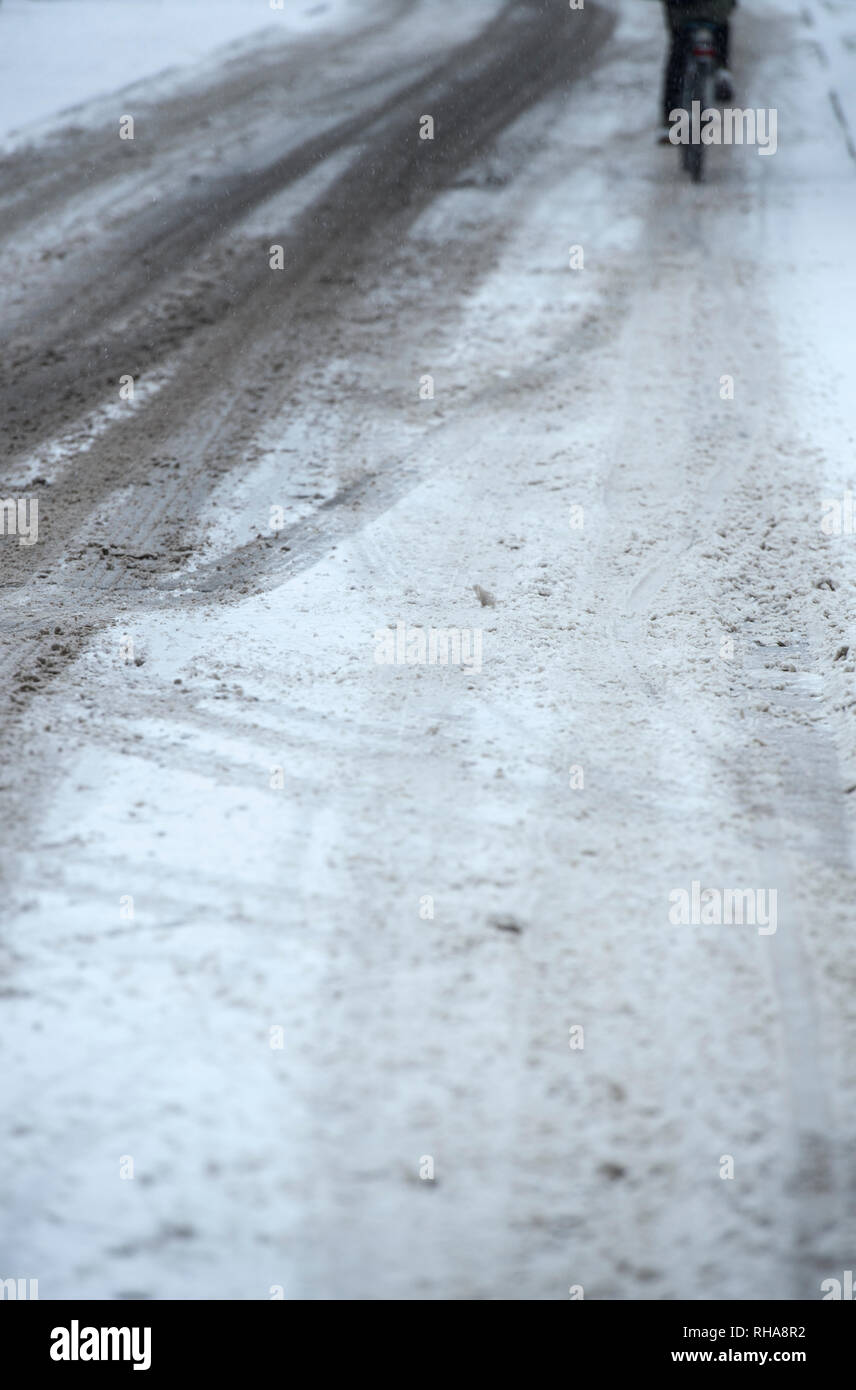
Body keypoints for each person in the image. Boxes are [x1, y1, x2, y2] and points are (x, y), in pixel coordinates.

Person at [659, 0, 737, 142]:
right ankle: (722, 71)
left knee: (677, 58)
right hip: (713, 12)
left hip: (682, 13)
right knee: (721, 27)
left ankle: (670, 119)